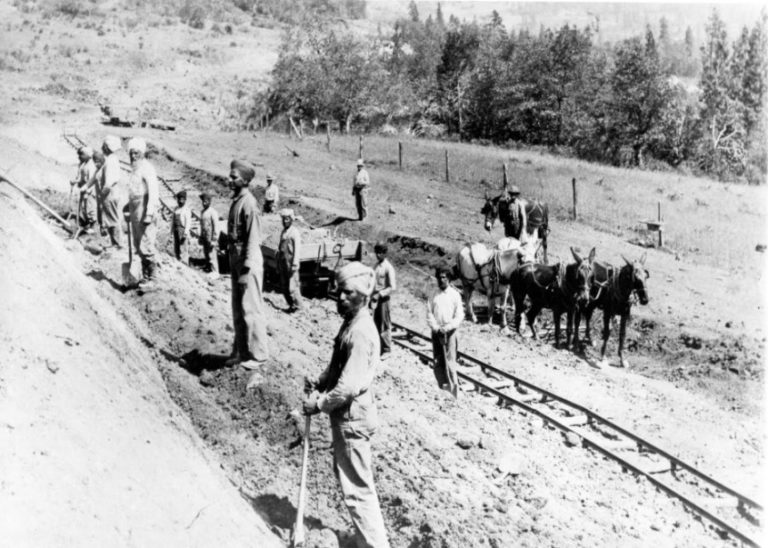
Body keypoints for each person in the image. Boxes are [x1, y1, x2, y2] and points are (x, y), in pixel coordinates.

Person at [303, 262, 390, 548]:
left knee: (357, 491)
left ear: (363, 295)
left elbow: (348, 387)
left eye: (347, 293)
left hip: (352, 419)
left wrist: (319, 403)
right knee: (354, 484)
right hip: (352, 416)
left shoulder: (361, 331)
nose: (339, 298)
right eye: (339, 291)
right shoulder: (352, 322)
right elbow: (339, 366)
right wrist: (320, 380)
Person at [226, 159, 269, 369]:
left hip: (247, 261)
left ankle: (259, 355)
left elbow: (253, 240)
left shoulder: (249, 204)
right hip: (236, 257)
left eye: (234, 177)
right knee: (237, 307)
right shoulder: (237, 201)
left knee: (251, 308)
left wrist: (245, 269)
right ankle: (242, 352)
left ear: (244, 180)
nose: (230, 180)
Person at [126, 137, 160, 284]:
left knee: (146, 244)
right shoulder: (135, 169)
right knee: (138, 244)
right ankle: (145, 277)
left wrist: (149, 213)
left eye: (136, 153)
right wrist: (128, 205)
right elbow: (135, 189)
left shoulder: (147, 168)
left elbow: (153, 193)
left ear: (142, 153)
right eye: (131, 153)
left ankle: (152, 277)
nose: (133, 156)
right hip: (136, 210)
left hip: (145, 210)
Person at [427, 265, 463, 398]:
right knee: (438, 361)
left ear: (449, 279)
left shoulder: (455, 295)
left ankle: (454, 392)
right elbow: (429, 313)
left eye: (444, 277)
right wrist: (436, 328)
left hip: (450, 332)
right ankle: (442, 387)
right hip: (437, 331)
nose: (441, 280)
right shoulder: (433, 294)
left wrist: (447, 328)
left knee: (450, 361)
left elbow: (459, 315)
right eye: (439, 277)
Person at [371, 242, 396, 359]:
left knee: (384, 324)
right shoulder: (376, 266)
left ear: (385, 254)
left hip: (383, 300)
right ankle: (378, 347)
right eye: (377, 252)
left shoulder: (388, 267)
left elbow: (392, 287)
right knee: (375, 323)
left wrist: (380, 294)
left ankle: (387, 349)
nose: (378, 255)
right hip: (374, 298)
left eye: (380, 253)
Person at [100, 135, 125, 248]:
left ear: (106, 147)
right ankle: (114, 243)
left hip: (110, 193)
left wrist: (101, 195)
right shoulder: (112, 158)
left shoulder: (110, 161)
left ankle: (118, 244)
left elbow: (108, 183)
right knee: (112, 218)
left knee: (113, 219)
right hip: (114, 193)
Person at [277, 208, 302, 312]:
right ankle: (291, 305)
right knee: (284, 286)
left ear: (291, 219)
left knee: (293, 287)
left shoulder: (294, 232)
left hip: (291, 263)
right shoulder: (283, 232)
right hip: (283, 262)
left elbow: (297, 248)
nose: (285, 221)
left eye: (287, 219)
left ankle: (299, 307)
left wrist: (295, 263)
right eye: (283, 219)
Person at [71, 146, 97, 233]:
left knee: (90, 208)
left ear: (88, 155)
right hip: (83, 189)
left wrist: (88, 191)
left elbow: (92, 180)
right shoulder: (83, 164)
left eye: (82, 154)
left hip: (89, 191)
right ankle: (86, 224)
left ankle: (93, 226)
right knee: (83, 207)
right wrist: (75, 181)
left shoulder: (91, 166)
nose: (80, 156)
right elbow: (82, 178)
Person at [199, 192, 220, 274]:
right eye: (203, 202)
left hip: (211, 237)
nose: (204, 203)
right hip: (205, 237)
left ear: (209, 202)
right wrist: (200, 236)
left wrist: (214, 239)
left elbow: (216, 227)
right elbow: (201, 225)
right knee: (206, 253)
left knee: (212, 255)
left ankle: (215, 271)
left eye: (206, 202)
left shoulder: (213, 212)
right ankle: (208, 267)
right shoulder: (202, 212)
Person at [172, 190, 192, 264]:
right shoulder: (176, 209)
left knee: (183, 248)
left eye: (182, 199)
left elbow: (188, 223)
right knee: (177, 247)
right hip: (176, 230)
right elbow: (172, 221)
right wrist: (171, 231)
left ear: (185, 200)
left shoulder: (186, 209)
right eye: (179, 199)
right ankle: (178, 262)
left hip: (183, 230)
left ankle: (184, 264)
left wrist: (186, 233)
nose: (180, 201)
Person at [90, 150, 106, 235]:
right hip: (99, 195)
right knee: (99, 211)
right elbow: (93, 179)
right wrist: (86, 187)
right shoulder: (97, 170)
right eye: (94, 162)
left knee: (104, 212)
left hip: (105, 195)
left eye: (97, 162)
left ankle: (105, 231)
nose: (96, 164)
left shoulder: (105, 169)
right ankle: (101, 230)